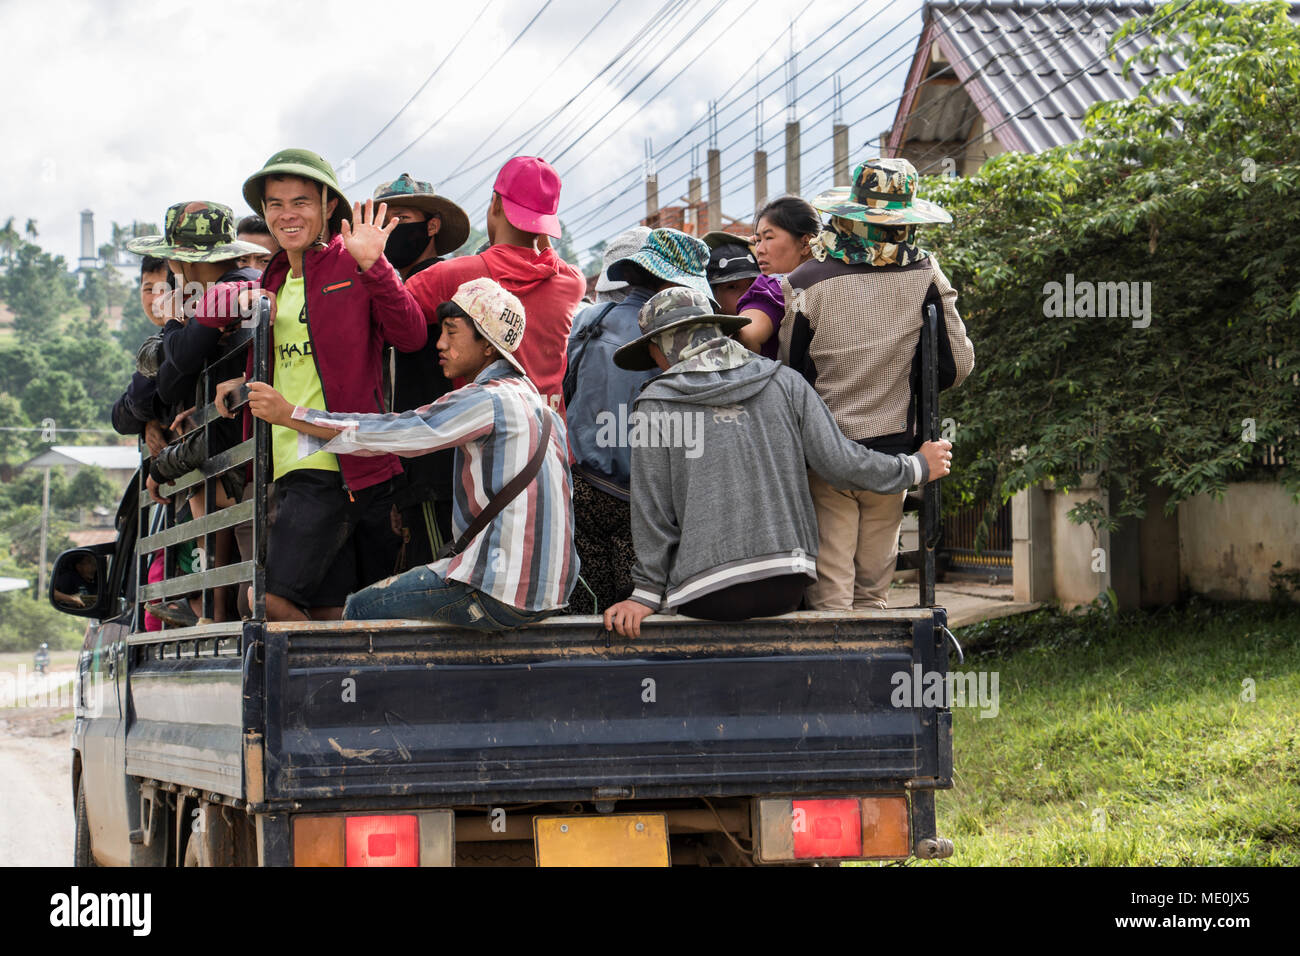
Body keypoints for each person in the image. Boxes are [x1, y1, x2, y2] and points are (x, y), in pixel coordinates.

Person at [602, 287, 952, 638]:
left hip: (708, 594)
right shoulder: (784, 382)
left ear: (660, 348)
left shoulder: (655, 404)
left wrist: (645, 594)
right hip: (787, 582)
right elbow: (840, 463)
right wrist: (916, 467)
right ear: (717, 330)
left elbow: (652, 509)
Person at [246, 278, 577, 629]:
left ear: (488, 347)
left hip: (497, 589)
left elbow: (398, 432)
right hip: (551, 594)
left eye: (452, 332)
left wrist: (293, 415)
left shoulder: (488, 399)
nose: (440, 343)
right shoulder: (543, 409)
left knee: (360, 608)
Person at [205, 147, 429, 622]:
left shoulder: (350, 263)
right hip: (284, 464)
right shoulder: (275, 278)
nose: (287, 214)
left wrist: (376, 266)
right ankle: (348, 686)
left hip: (332, 460)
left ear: (329, 206)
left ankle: (329, 685)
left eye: (301, 202)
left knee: (263, 598)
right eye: (276, 204)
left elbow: (410, 336)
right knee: (330, 610)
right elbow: (293, 363)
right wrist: (244, 383)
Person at [782, 157, 975, 611]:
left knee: (830, 594)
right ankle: (875, 677)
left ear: (848, 217)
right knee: (872, 593)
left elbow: (791, 373)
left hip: (825, 455)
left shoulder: (805, 281)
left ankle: (829, 676)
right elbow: (957, 364)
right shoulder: (924, 272)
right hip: (894, 456)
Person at [124, 201, 269, 624]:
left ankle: (210, 610)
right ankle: (210, 607)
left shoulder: (220, 295)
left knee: (253, 589)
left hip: (242, 453)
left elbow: (169, 381)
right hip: (243, 449)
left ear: (176, 259)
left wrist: (172, 322)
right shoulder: (242, 285)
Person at [564, 227, 712, 614]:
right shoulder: (681, 332)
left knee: (588, 616)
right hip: (647, 502)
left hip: (586, 490)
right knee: (643, 617)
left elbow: (571, 394)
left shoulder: (590, 319)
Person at [404, 156, 586, 417]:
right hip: (553, 443)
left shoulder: (451, 276)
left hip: (489, 443)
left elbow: (394, 311)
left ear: (496, 204)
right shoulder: (570, 283)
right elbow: (551, 259)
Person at [370, 173, 472, 567]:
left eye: (402, 218)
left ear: (432, 225)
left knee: (438, 570)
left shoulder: (447, 284)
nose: (392, 229)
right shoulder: (389, 287)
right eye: (384, 221)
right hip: (409, 462)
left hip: (436, 464)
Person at [735, 196, 821, 358]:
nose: (759, 249)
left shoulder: (773, 288)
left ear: (805, 243)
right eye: (758, 240)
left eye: (768, 238)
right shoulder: (836, 280)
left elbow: (746, 336)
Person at [702, 230, 761, 317]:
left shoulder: (778, 322)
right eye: (732, 287)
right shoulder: (705, 329)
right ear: (711, 294)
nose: (746, 294)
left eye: (752, 284)